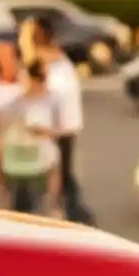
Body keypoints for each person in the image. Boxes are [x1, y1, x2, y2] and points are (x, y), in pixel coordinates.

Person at [22, 15, 95, 226]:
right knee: (63, 176)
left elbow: (48, 96)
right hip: (61, 127)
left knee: (57, 177)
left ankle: (76, 217)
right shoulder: (58, 60)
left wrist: (51, 128)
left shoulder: (46, 63)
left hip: (52, 129)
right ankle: (76, 215)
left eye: (26, 35)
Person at [0, 59, 62, 216]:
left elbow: (58, 130)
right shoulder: (13, 103)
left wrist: (42, 132)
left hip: (42, 162)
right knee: (17, 207)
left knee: (39, 206)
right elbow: (1, 130)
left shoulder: (52, 100)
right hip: (16, 162)